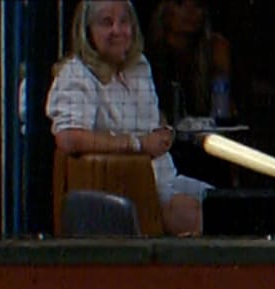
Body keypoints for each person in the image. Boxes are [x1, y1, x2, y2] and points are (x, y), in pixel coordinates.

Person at [45, 0, 210, 236]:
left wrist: (163, 131)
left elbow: (150, 119)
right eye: (106, 22)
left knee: (227, 208)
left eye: (124, 22)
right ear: (87, 30)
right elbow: (69, 138)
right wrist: (138, 144)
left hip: (166, 178)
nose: (117, 30)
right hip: (125, 189)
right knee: (196, 216)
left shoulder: (139, 66)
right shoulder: (76, 74)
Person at [145, 0, 232, 124]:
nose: (190, 13)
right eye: (180, 3)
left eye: (198, 5)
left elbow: (223, 109)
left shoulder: (215, 49)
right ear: (163, 9)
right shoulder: (145, 56)